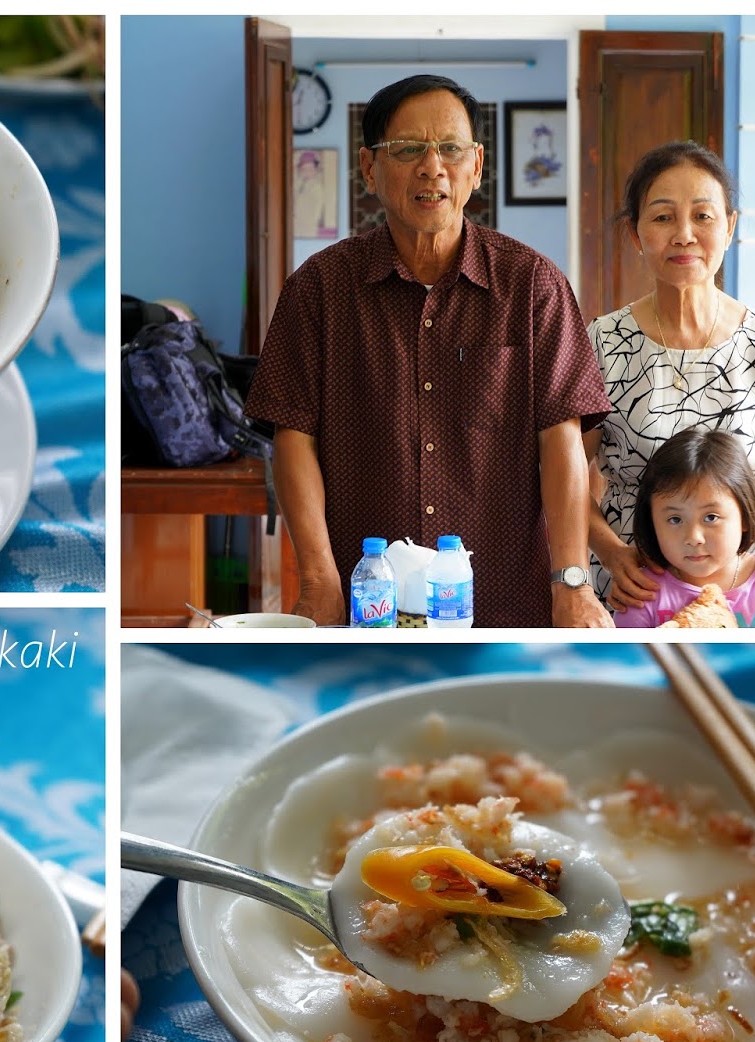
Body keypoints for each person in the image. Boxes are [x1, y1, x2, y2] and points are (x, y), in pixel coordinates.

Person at [246, 75, 613, 628]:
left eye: (450, 149)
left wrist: (572, 582)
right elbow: (293, 438)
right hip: (367, 605)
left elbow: (562, 440)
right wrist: (320, 580)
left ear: (477, 165)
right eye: (408, 149)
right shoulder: (318, 289)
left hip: (506, 600)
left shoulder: (532, 285)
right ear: (369, 168)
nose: (432, 166)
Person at [585, 142, 755, 619]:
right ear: (635, 233)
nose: (684, 235)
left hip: (754, 593)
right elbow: (567, 472)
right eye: (662, 218)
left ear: (730, 227)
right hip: (635, 593)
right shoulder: (603, 342)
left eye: (703, 216)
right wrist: (611, 551)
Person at [613, 429, 755, 628]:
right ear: (652, 523)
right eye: (675, 519)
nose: (694, 538)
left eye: (711, 517)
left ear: (745, 516)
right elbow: (631, 658)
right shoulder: (640, 591)